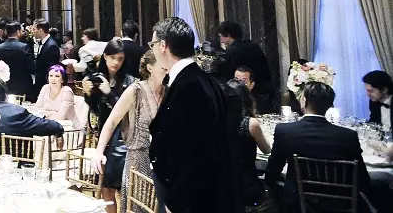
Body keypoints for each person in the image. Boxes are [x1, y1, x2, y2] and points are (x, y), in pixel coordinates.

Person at [148, 17, 234, 213]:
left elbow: (199, 151)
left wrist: (176, 201)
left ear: (163, 46)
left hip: (192, 200)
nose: (152, 49)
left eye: (152, 44)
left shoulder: (190, 86)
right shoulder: (201, 80)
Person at [266, 82, 370, 210]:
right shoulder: (348, 136)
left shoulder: (285, 131)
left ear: (304, 101)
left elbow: (272, 171)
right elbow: (363, 180)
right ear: (330, 105)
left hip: (298, 204)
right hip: (341, 204)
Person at [91, 50, 166, 213]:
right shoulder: (136, 91)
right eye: (163, 68)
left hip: (162, 163)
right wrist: (99, 151)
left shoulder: (168, 91)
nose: (167, 71)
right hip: (138, 162)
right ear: (150, 68)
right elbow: (111, 122)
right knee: (137, 208)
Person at [83, 38, 133, 213]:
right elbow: (96, 112)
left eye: (120, 59)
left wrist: (110, 93)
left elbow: (128, 111)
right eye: (113, 58)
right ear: (105, 57)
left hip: (122, 139)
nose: (116, 62)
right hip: (103, 136)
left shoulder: (129, 81)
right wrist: (89, 94)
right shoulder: (98, 77)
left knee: (120, 187)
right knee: (105, 187)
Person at [226, 79, 271, 208]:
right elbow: (267, 150)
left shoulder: (217, 120)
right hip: (246, 185)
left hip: (223, 184)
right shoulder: (250, 123)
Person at [0, 77, 64, 137]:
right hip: (15, 159)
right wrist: (59, 128)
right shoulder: (16, 113)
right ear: (5, 94)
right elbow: (51, 127)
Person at [218, 21, 272, 103]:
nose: (221, 41)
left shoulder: (231, 52)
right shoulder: (254, 46)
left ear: (228, 35)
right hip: (263, 92)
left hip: (242, 96)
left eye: (221, 37)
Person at [0, 21, 35, 97]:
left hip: (6, 84)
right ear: (18, 32)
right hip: (23, 84)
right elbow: (32, 68)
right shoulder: (24, 47)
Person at [34, 64, 80, 128]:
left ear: (62, 79)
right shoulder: (45, 88)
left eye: (57, 76)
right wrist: (53, 113)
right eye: (51, 76)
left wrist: (45, 114)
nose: (53, 79)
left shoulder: (67, 91)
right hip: (49, 126)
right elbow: (37, 110)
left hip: (69, 129)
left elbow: (60, 117)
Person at [31, 18, 60, 101]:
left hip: (45, 84)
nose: (32, 32)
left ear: (40, 30)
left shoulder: (51, 45)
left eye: (34, 29)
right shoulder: (43, 43)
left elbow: (51, 68)